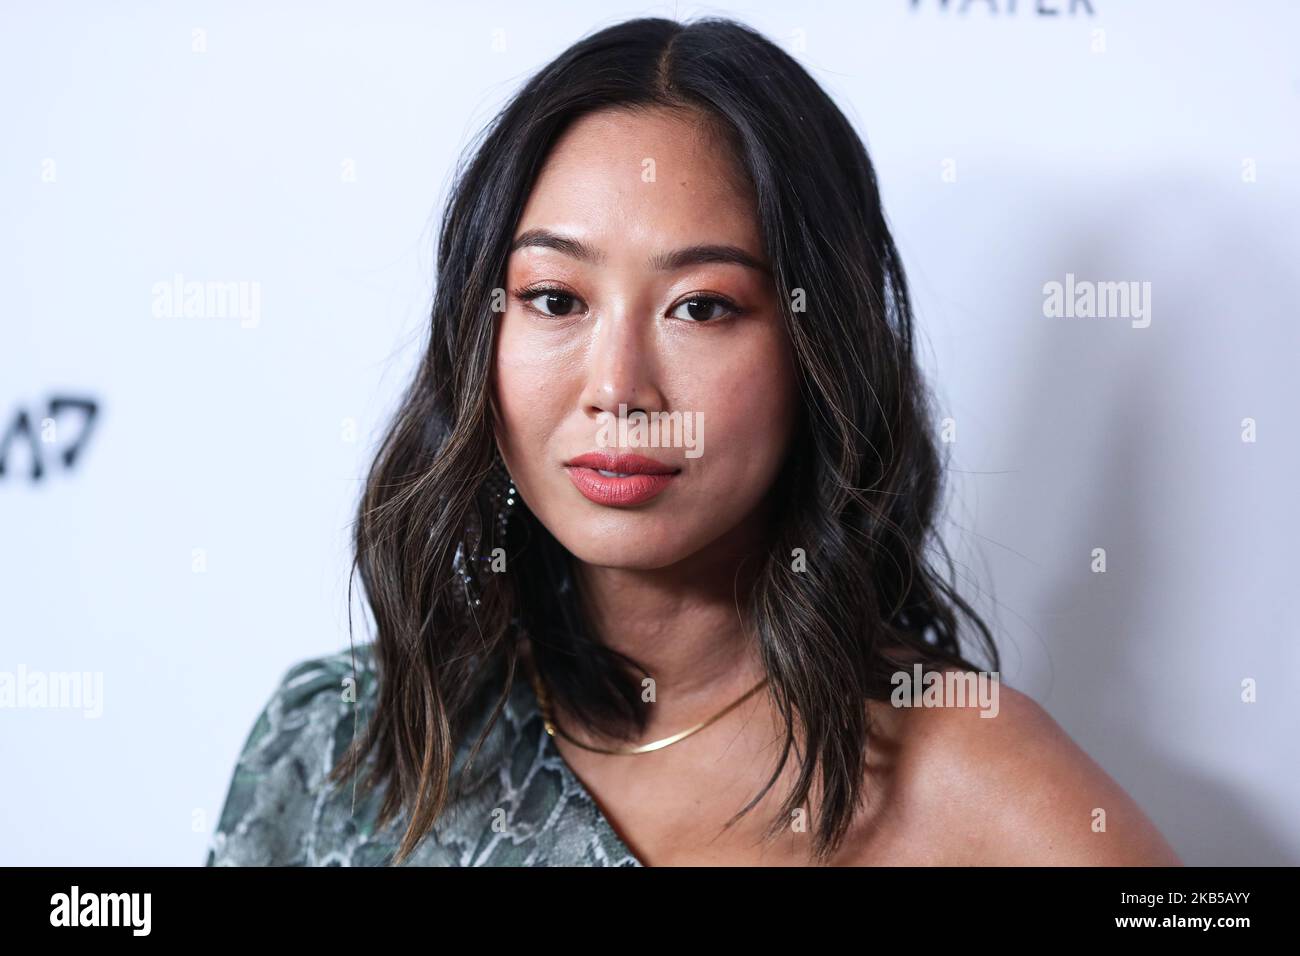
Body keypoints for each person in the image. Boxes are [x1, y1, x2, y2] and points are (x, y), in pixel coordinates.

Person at [207, 16, 1181, 867]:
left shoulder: (970, 786)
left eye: (701, 306)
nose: (618, 389)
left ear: (817, 345)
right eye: (554, 298)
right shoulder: (344, 739)